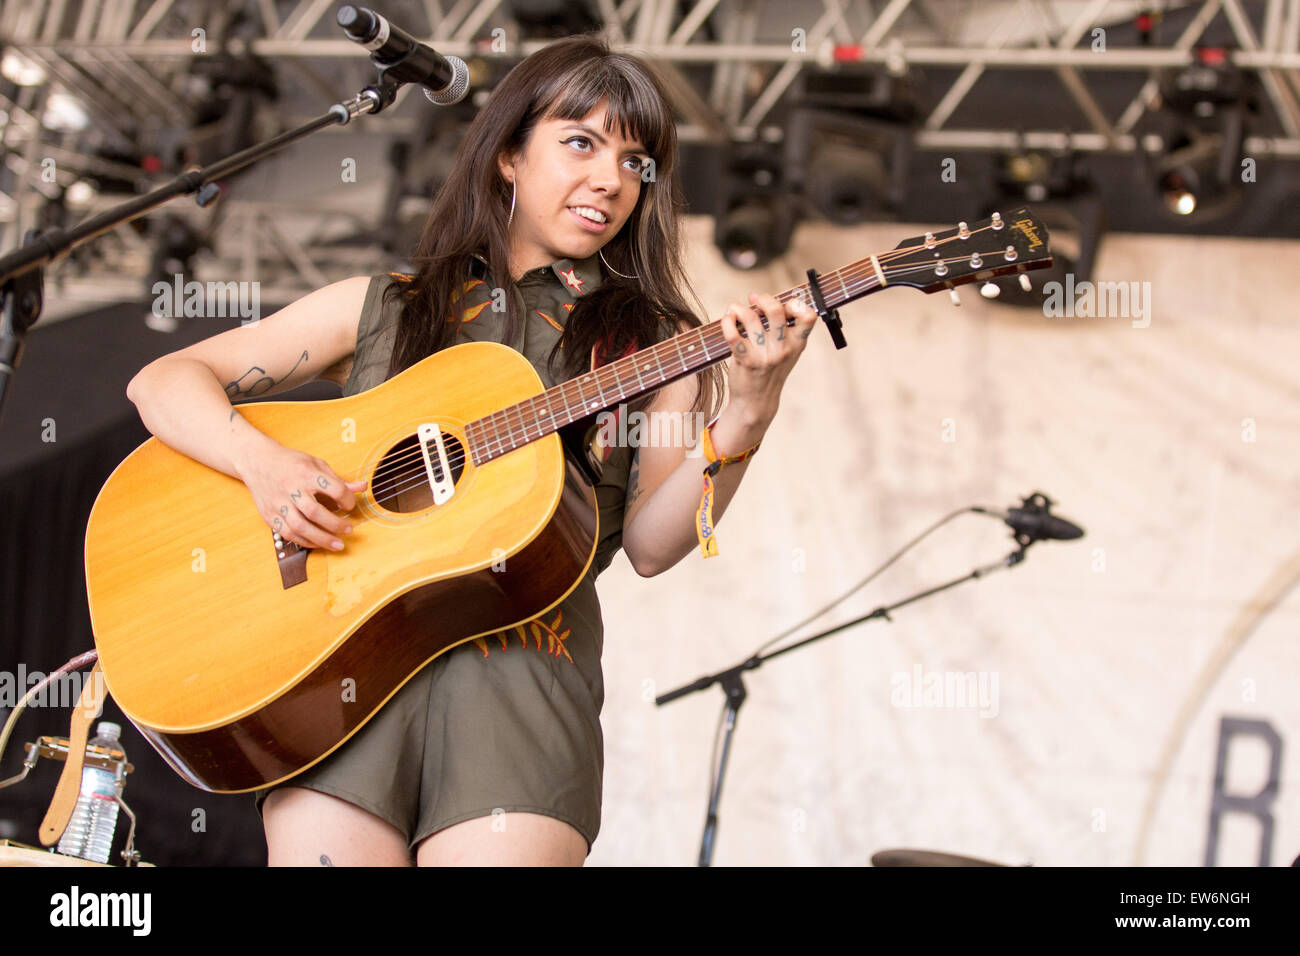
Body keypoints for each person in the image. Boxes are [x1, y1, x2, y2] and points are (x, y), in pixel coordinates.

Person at [125, 33, 819, 866]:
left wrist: (748, 411)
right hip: (348, 667)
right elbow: (164, 382)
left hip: (525, 672)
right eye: (580, 142)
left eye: (636, 163)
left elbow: (651, 546)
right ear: (508, 157)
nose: (609, 178)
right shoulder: (383, 305)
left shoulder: (657, 344)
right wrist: (265, 465)